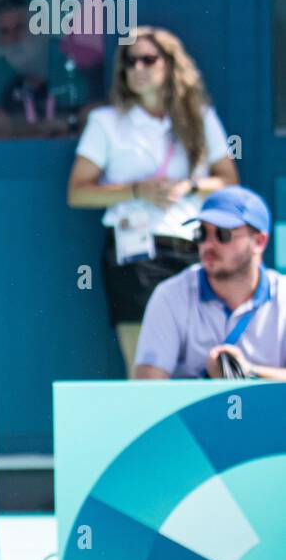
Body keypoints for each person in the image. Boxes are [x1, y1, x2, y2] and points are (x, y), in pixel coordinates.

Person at [67, 25, 237, 375]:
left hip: (192, 248)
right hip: (134, 254)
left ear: (170, 64)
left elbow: (229, 181)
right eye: (130, 62)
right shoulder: (106, 122)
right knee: (145, 368)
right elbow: (78, 192)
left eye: (148, 59)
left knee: (201, 361)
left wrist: (188, 186)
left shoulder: (200, 118)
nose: (138, 69)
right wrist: (136, 190)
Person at [135, 187, 286, 381]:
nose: (208, 244)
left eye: (223, 234)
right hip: (191, 413)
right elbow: (148, 387)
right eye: (202, 233)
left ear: (259, 242)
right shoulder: (169, 295)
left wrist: (247, 372)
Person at [0, 0, 65, 139]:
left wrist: (12, 125)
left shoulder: (66, 57)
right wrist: (39, 128)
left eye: (20, 28)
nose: (13, 39)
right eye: (5, 32)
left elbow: (87, 116)